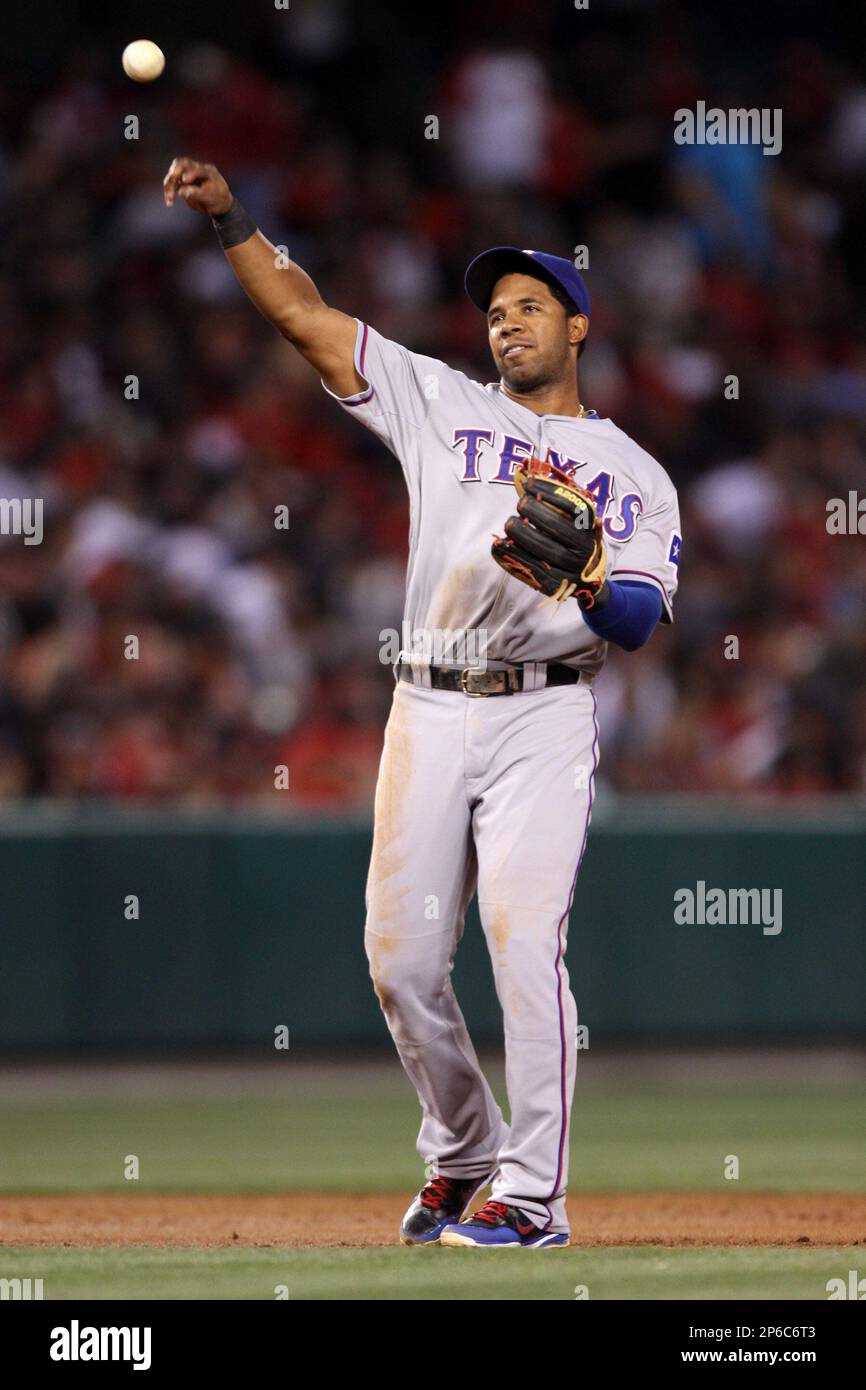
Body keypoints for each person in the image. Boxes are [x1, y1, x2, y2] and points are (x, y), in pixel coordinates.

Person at [164, 158, 681, 1248]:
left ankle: (530, 1197)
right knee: (398, 958)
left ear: (577, 325)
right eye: (494, 312)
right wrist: (231, 219)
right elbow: (303, 317)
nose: (506, 326)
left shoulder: (629, 468)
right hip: (427, 703)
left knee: (519, 940)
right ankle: (462, 1149)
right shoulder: (437, 399)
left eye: (529, 307)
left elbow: (632, 618)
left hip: (545, 712)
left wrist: (586, 577)